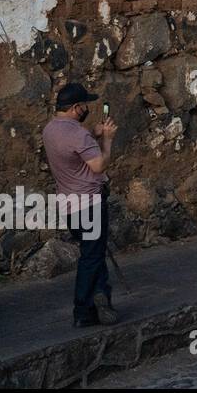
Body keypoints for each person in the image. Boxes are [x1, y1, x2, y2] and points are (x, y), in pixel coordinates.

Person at [44, 82, 117, 328]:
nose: (87, 108)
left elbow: (72, 151)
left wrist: (93, 135)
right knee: (91, 257)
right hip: (90, 204)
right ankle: (83, 311)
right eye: (85, 104)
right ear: (76, 107)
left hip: (68, 205)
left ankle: (103, 300)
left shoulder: (50, 130)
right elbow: (98, 165)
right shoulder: (78, 134)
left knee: (93, 254)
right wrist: (106, 141)